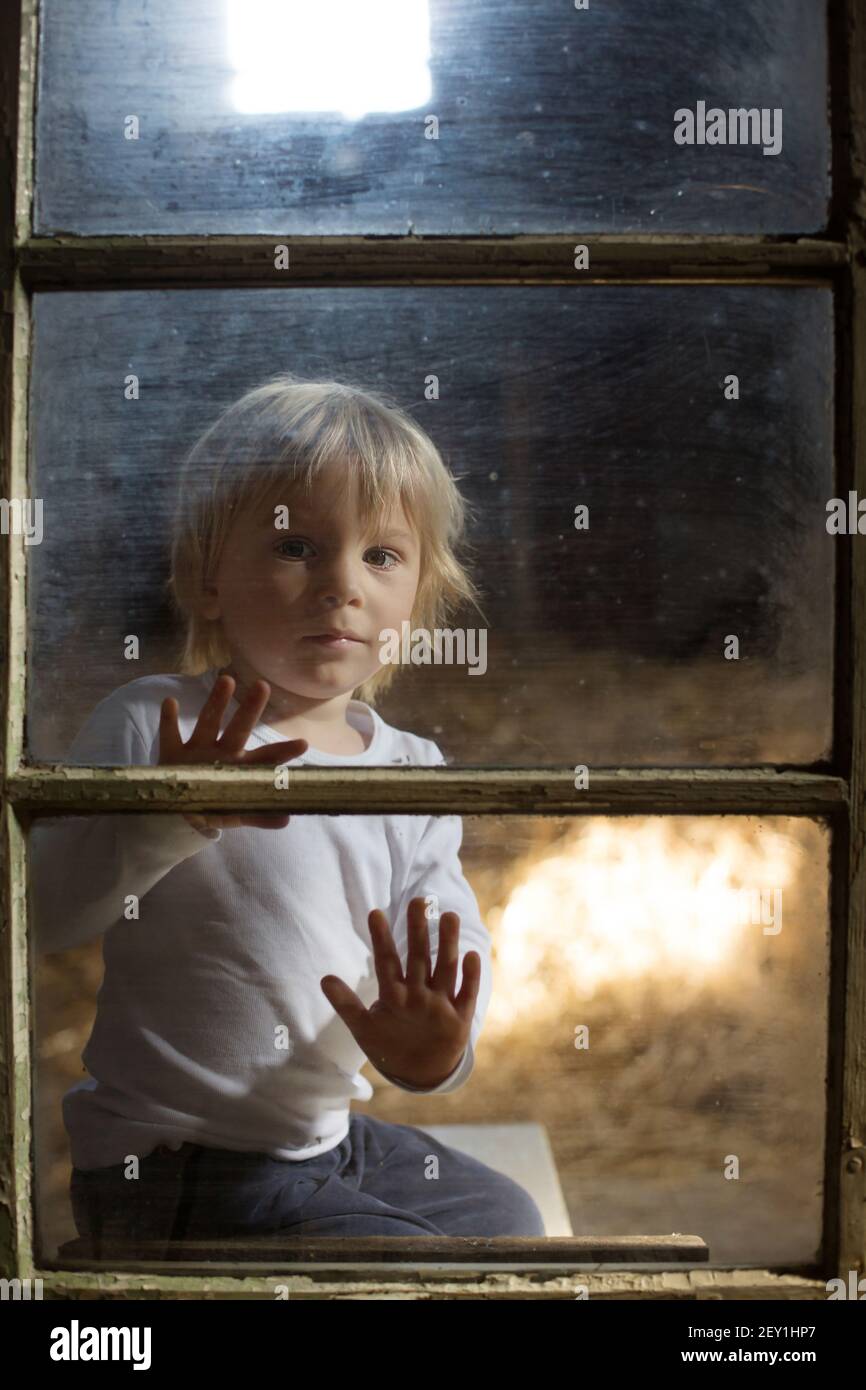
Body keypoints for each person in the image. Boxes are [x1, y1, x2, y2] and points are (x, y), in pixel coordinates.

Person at [33, 374, 545, 1252]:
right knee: (408, 1269)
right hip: (172, 1165)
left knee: (507, 1216)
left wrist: (436, 1051)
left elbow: (453, 934)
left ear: (417, 603)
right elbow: (44, 912)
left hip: (325, 1146)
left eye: (381, 556)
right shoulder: (156, 720)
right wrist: (171, 813)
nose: (341, 584)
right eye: (297, 546)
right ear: (207, 580)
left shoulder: (414, 770)